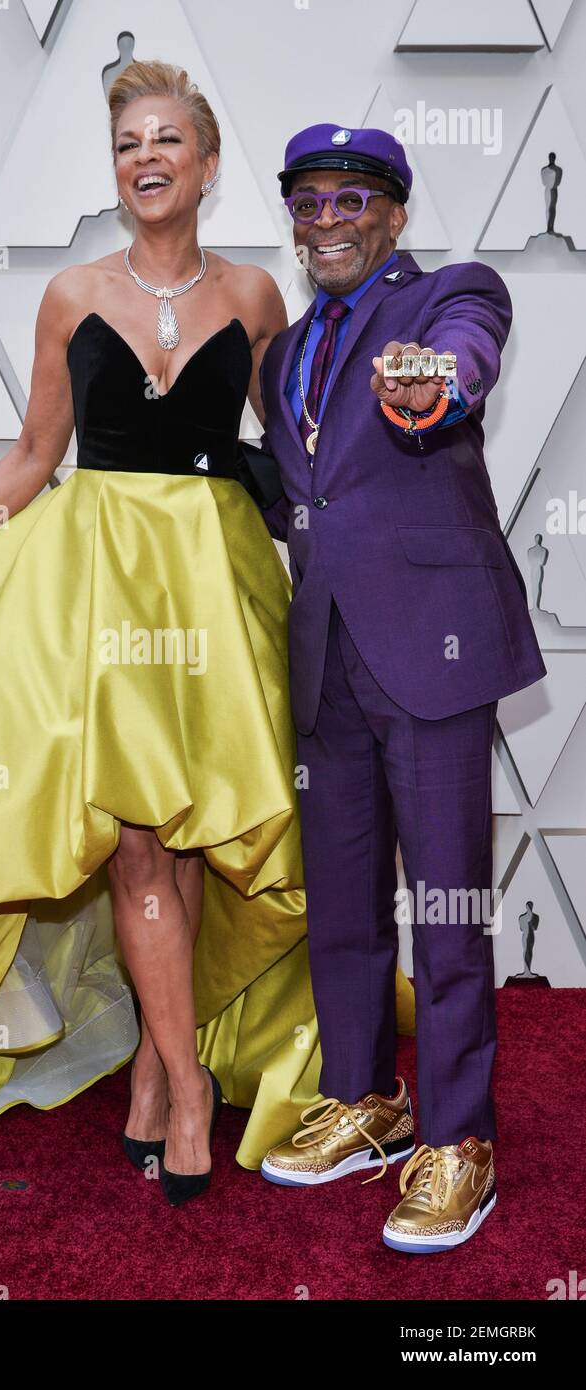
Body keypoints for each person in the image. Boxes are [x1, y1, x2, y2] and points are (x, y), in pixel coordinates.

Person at [0, 68, 416, 1210]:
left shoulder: (258, 296)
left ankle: (160, 1068)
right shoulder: (68, 294)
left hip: (208, 584)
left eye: (167, 140)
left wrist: (363, 552)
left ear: (207, 164)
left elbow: (297, 445)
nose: (145, 157)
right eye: (125, 144)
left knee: (198, 828)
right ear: (115, 170)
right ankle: (189, 1088)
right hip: (98, 587)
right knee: (136, 842)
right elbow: (30, 455)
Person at [256, 123, 546, 1252]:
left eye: (351, 200)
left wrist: (436, 384)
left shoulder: (446, 297)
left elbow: (460, 357)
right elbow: (302, 491)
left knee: (449, 907)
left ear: (395, 212)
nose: (327, 221)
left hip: (431, 646)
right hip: (323, 650)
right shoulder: (281, 355)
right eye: (308, 202)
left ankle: (460, 1140)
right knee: (340, 900)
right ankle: (369, 1100)